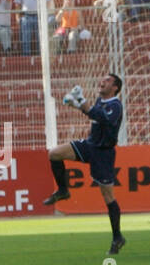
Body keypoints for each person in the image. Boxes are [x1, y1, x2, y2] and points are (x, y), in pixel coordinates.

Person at [43, 74, 127, 254]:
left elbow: (103, 118)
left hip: (103, 153)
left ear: (115, 88)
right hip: (90, 145)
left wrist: (81, 102)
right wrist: (77, 104)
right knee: (55, 154)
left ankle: (117, 237)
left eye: (107, 81)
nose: (102, 82)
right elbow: (94, 115)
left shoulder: (115, 105)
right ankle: (63, 190)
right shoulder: (100, 100)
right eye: (102, 79)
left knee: (108, 196)